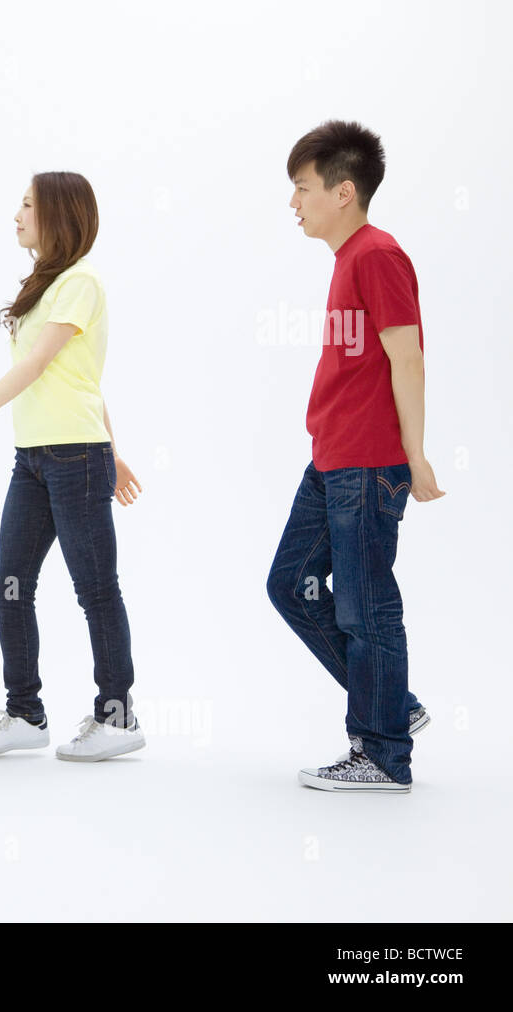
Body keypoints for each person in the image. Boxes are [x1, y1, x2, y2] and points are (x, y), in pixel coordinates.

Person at [0, 171, 146, 762]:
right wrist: (117, 451)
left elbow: (42, 367)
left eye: (27, 205)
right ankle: (25, 711)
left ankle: (118, 717)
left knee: (96, 590)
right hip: (35, 458)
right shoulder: (46, 286)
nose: (17, 215)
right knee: (11, 584)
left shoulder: (81, 281)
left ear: (59, 214)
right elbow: (83, 380)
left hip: (75, 458)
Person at [267, 120, 444, 793]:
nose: (294, 203)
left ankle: (382, 753)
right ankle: (390, 703)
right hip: (331, 461)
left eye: (303, 189)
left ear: (344, 192)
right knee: (291, 586)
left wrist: (416, 455)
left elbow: (408, 357)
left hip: (369, 465)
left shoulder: (377, 255)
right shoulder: (349, 260)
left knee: (365, 610)